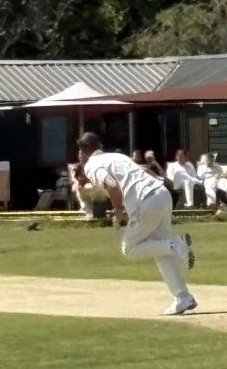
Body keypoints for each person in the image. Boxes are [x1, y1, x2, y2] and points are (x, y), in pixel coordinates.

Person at [78, 132, 197, 315]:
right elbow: (144, 171)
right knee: (160, 247)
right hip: (161, 194)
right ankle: (183, 297)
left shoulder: (92, 165)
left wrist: (118, 212)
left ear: (83, 152)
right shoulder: (116, 156)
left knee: (130, 248)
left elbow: (111, 184)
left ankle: (176, 244)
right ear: (100, 145)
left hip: (145, 201)